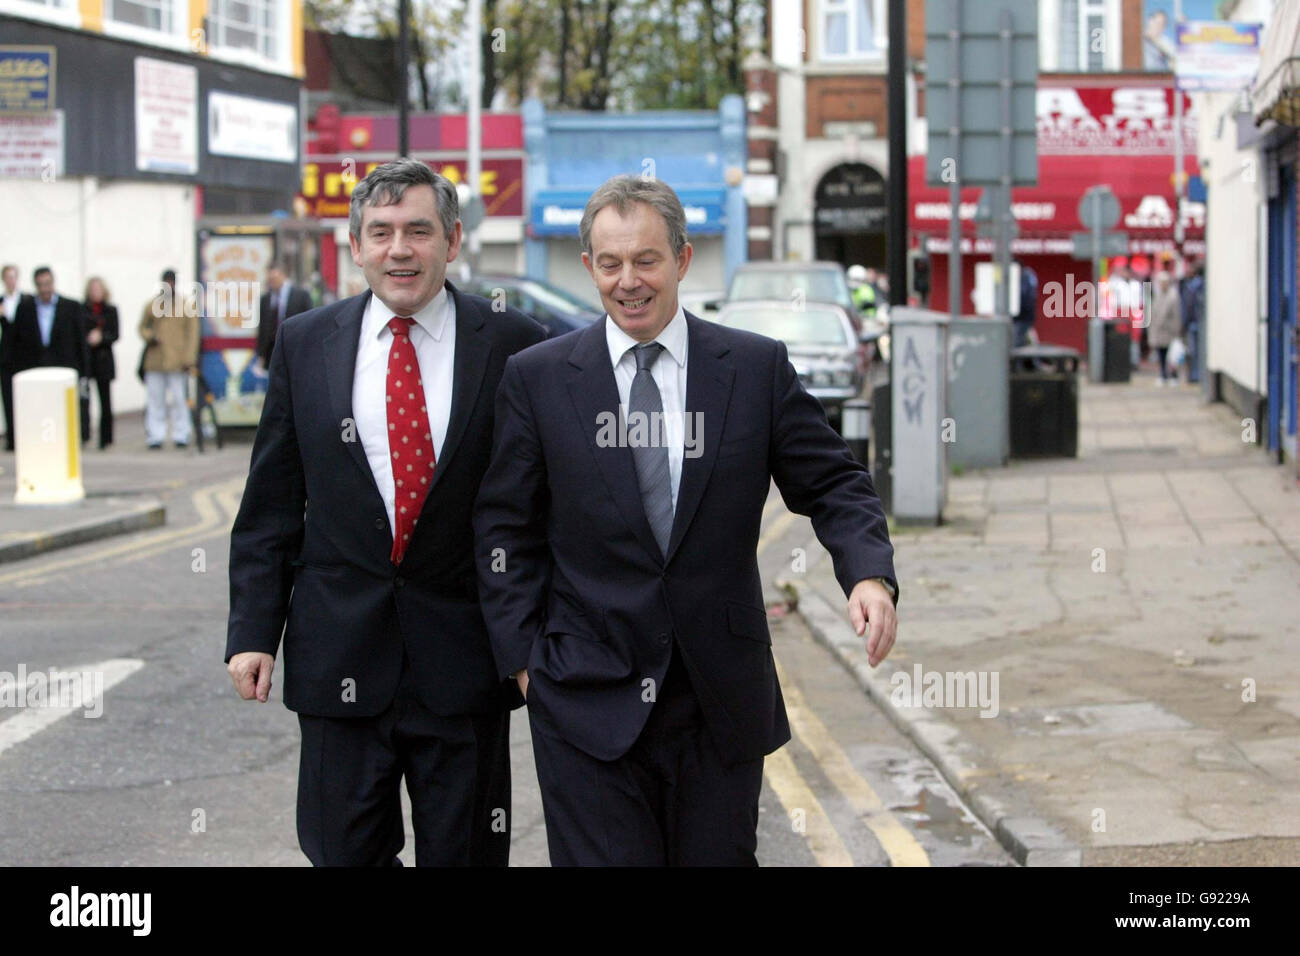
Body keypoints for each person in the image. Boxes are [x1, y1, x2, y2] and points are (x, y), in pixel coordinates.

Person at [473, 175, 899, 866]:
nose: (628, 281)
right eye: (609, 264)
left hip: (717, 700)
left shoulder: (753, 369)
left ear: (683, 260)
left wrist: (869, 575)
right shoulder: (539, 378)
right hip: (584, 695)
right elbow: (504, 530)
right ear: (588, 267)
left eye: (646, 260)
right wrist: (527, 666)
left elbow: (834, 483)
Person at [224, 159, 545, 867]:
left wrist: (536, 642)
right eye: (382, 232)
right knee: (340, 852)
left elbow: (541, 510)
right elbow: (271, 502)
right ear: (357, 245)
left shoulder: (515, 344)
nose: (400, 249)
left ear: (453, 241)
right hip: (339, 652)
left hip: (465, 662)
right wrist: (252, 632)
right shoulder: (306, 344)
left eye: (419, 231)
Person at [9, 267, 90, 444]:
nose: (44, 289)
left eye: (47, 284)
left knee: (62, 411)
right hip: (36, 370)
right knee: (39, 411)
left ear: (53, 283)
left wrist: (84, 372)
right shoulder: (25, 308)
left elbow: (80, 343)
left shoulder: (71, 307)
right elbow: (17, 343)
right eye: (40, 285)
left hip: (63, 369)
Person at [138, 269, 199, 449]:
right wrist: (150, 336)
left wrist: (189, 358)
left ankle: (181, 434)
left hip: (178, 361)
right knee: (155, 400)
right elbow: (143, 327)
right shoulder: (152, 305)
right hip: (155, 360)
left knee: (180, 399)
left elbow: (192, 334)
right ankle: (155, 435)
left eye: (171, 282)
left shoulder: (186, 305)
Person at [81, 277, 119, 449]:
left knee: (105, 402)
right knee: (84, 400)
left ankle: (106, 438)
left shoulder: (110, 310)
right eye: (93, 289)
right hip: (87, 361)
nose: (95, 292)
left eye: (98, 288)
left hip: (103, 360)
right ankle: (84, 434)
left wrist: (101, 337)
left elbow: (115, 334)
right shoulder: (82, 310)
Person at [255, 261, 313, 371]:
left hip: (294, 348)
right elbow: (262, 327)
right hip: (271, 351)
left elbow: (310, 322)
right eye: (270, 280)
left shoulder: (301, 296)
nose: (272, 282)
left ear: (283, 276)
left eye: (275, 279)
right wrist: (261, 353)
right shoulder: (266, 299)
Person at [0, 263, 27, 451]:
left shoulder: (26, 300)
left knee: (24, 398)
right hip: (6, 356)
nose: (10, 280)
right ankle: (11, 438)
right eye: (7, 277)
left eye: (13, 276)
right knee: (8, 398)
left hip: (23, 355)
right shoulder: (1, 301)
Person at [1148, 270, 1182, 386]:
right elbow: (1153, 313)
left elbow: (1176, 315)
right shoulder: (1158, 295)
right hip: (1158, 332)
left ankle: (1173, 375)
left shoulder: (1173, 296)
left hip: (1169, 331)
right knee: (1161, 355)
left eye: (1164, 282)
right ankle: (1163, 374)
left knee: (1172, 356)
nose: (1162, 284)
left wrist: (1177, 331)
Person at [1180, 259, 1204, 385]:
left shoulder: (1190, 287)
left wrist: (1183, 323)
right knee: (1200, 351)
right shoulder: (1204, 285)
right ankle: (1199, 374)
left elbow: (1187, 307)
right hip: (1201, 323)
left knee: (1193, 351)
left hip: (1193, 323)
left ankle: (1195, 375)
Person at [1013, 262, 1039, 348]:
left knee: (1018, 341)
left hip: (1023, 317)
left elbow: (1025, 297)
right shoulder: (1026, 277)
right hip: (1021, 318)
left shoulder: (1027, 277)